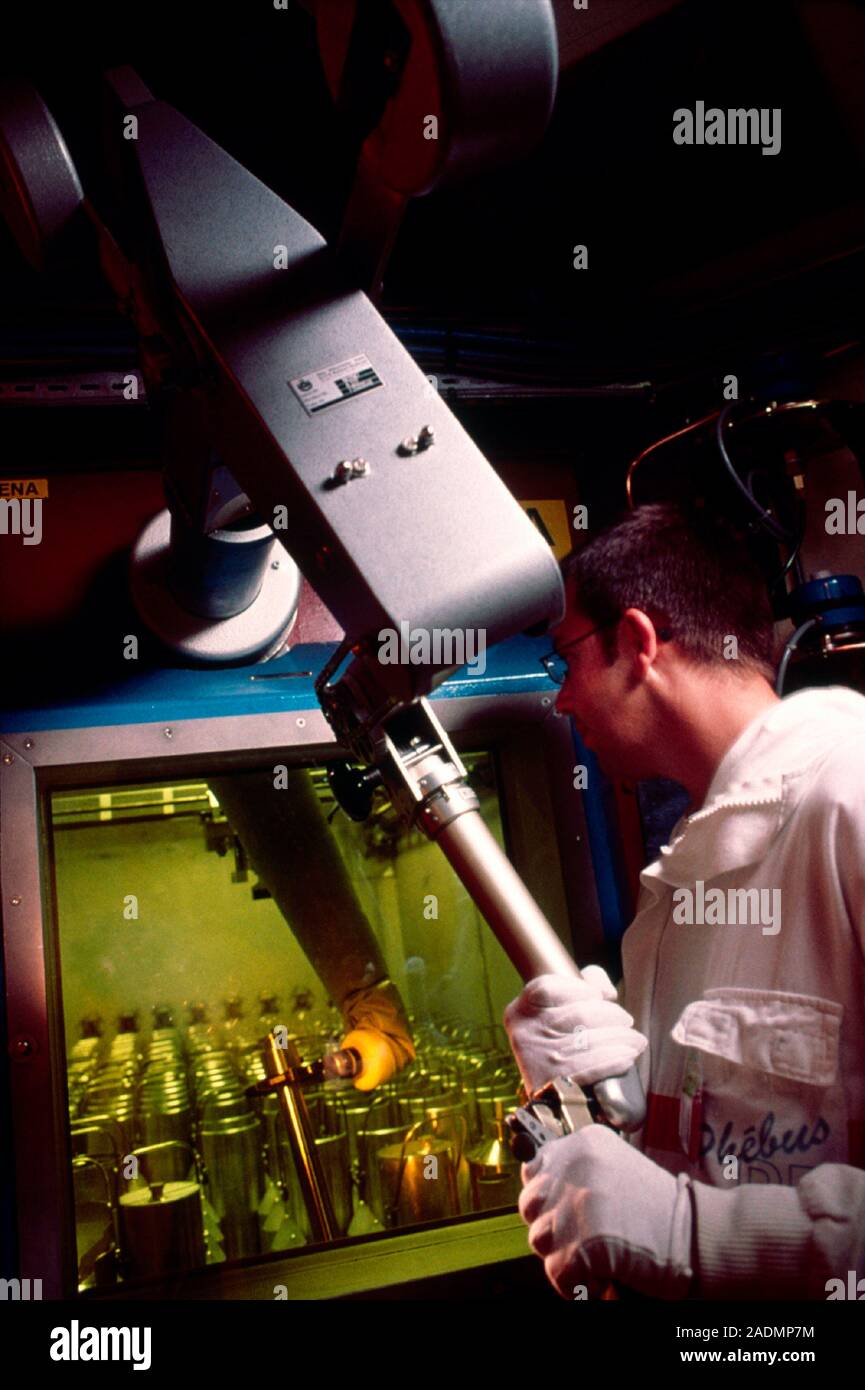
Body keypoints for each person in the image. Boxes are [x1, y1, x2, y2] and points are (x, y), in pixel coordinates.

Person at [504, 503, 865, 1300]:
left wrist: (692, 1235)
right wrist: (609, 1102)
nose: (561, 700)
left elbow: (686, 1221)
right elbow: (699, 1150)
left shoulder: (850, 795)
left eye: (563, 660)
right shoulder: (676, 892)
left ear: (636, 643)